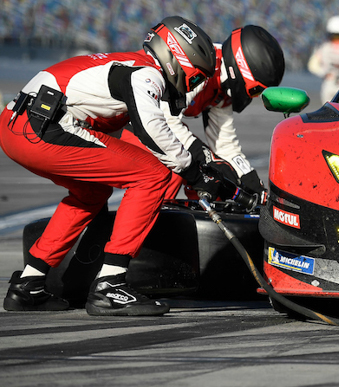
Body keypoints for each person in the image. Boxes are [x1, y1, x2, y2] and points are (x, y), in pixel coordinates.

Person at [1, 17, 224, 316]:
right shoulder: (145, 74)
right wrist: (193, 173)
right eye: (196, 78)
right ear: (177, 59)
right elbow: (152, 130)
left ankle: (28, 284)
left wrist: (193, 162)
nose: (194, 87)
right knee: (154, 176)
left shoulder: (128, 65)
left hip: (22, 124)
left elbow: (133, 138)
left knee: (92, 193)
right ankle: (111, 285)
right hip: (41, 126)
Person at [158, 25, 285, 205]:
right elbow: (165, 121)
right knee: (173, 169)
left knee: (214, 176)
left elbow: (223, 144)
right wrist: (205, 157)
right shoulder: (201, 66)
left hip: (147, 123)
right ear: (242, 69)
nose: (252, 97)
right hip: (127, 116)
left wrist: (249, 178)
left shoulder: (223, 86)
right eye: (255, 91)